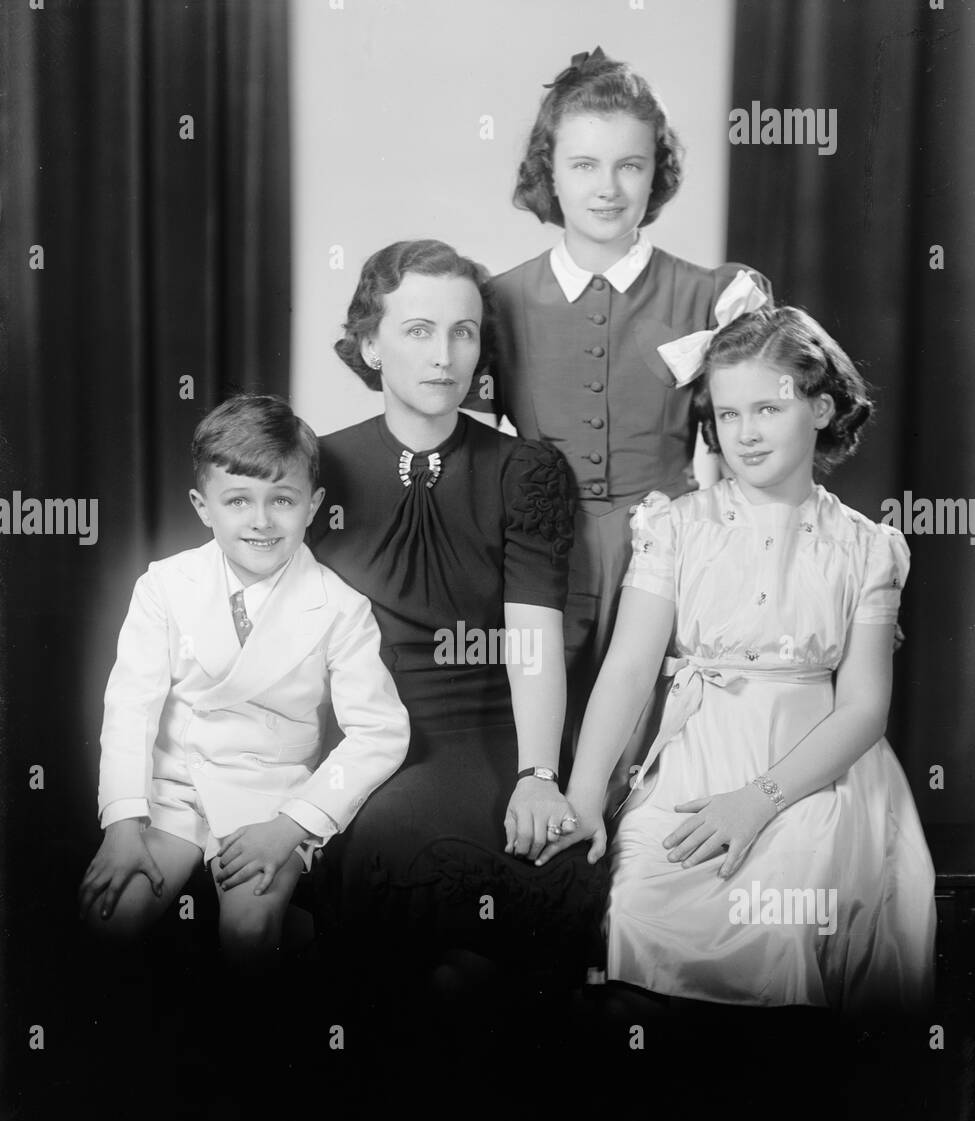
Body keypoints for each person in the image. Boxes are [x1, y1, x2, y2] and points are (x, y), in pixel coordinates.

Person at [539, 306, 936, 1014]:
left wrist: (758, 801)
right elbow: (628, 670)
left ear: (819, 408)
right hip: (693, 763)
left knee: (780, 917)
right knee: (638, 905)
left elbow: (864, 710)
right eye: (727, 415)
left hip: (810, 774)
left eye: (766, 409)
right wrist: (584, 796)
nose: (745, 433)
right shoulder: (675, 528)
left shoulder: (865, 547)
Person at [310, 239, 607, 979]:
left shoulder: (524, 472)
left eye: (463, 331)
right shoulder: (318, 467)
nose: (445, 354)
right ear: (371, 346)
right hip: (362, 734)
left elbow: (532, 637)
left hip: (487, 734)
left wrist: (537, 772)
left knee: (400, 855)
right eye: (418, 330)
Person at [482, 47, 771, 750]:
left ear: (656, 172)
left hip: (673, 553)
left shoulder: (712, 295)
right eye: (583, 165)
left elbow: (759, 443)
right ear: (548, 173)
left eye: (629, 165)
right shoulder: (500, 302)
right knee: (532, 750)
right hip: (537, 561)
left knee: (653, 751)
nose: (607, 188)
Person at [78, 393, 410, 962]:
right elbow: (130, 709)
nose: (261, 521)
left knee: (249, 933)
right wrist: (123, 823)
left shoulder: (340, 607)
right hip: (172, 791)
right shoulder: (164, 585)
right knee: (112, 914)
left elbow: (379, 734)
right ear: (203, 506)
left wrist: (291, 826)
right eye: (238, 500)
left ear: (313, 505)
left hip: (270, 797)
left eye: (283, 499)